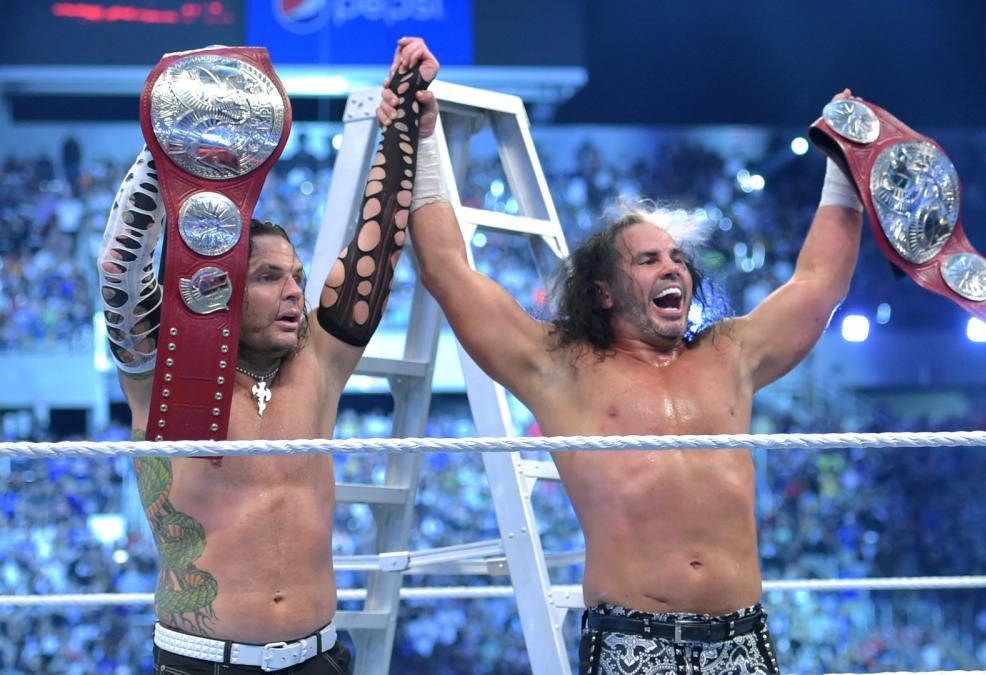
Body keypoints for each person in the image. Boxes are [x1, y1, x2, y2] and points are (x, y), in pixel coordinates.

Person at [383, 38, 865, 674]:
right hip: (634, 640)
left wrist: (846, 164)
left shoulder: (729, 354)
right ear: (604, 291)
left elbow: (818, 285)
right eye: (648, 259)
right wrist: (420, 139)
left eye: (677, 259)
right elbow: (448, 271)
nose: (672, 268)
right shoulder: (564, 368)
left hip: (741, 638)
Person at [96, 46, 428, 673]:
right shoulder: (169, 375)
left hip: (318, 655)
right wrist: (170, 148)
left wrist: (403, 125)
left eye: (296, 275)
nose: (295, 291)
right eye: (270, 278)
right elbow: (120, 272)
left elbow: (376, 253)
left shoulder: (317, 364)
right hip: (204, 660)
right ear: (222, 285)